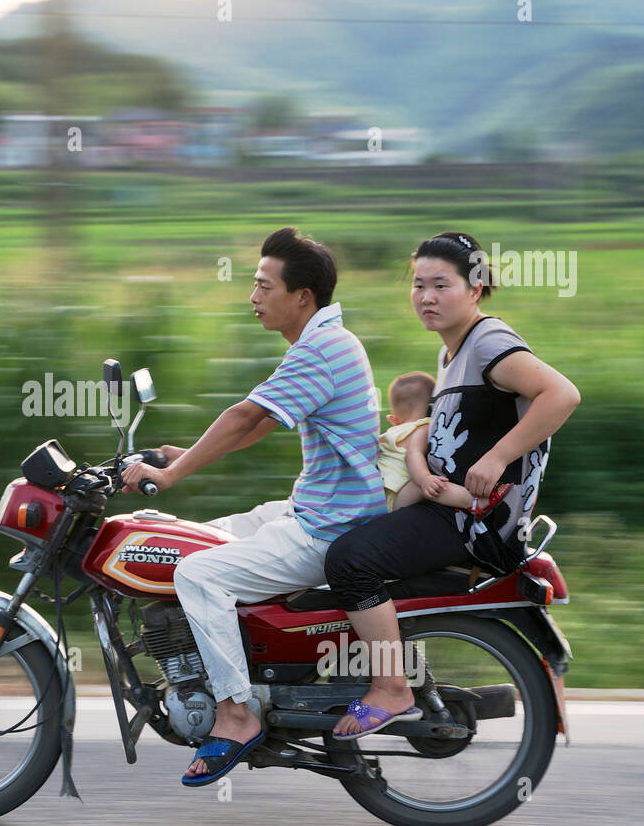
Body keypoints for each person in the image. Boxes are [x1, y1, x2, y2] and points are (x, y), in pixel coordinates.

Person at [122, 227, 387, 786]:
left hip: (327, 527)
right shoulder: (327, 342)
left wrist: (170, 473)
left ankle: (237, 714)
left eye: (264, 286)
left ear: (302, 297)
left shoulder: (321, 349)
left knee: (196, 574)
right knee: (187, 539)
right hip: (312, 508)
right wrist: (185, 452)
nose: (253, 296)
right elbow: (263, 420)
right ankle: (232, 672)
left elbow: (245, 416)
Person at [323, 231, 580, 740]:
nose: (426, 297)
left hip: (474, 521)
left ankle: (391, 688)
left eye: (441, 285)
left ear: (476, 288)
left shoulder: (489, 342)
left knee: (349, 561)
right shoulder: (452, 352)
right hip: (451, 509)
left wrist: (499, 455)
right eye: (419, 285)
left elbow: (563, 394)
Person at [380, 371, 503, 513]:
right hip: (399, 497)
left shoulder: (389, 434)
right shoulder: (423, 427)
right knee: (433, 486)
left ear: (392, 419)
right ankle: (477, 503)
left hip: (381, 499)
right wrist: (425, 478)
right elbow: (412, 454)